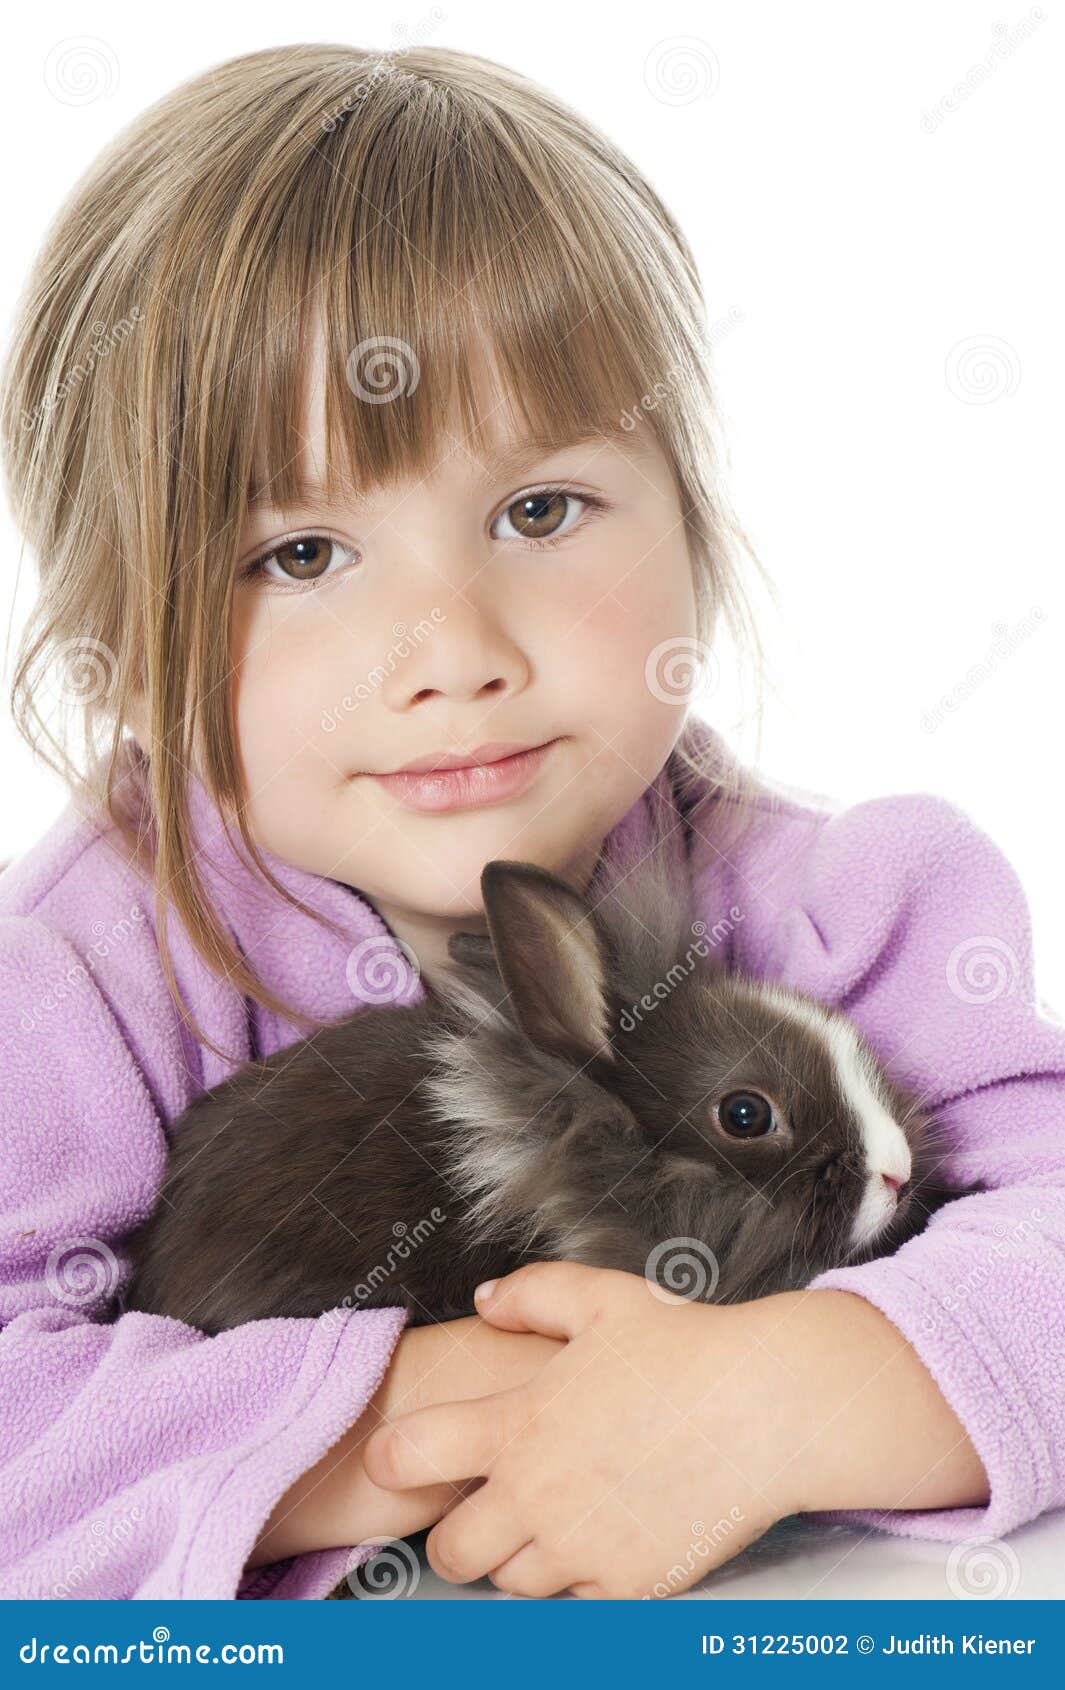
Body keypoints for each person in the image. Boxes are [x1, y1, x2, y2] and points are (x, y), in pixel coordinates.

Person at [0, 43, 1060, 1601]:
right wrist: (383, 1426)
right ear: (127, 638)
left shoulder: (840, 907)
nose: (455, 650)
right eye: (298, 552)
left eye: (538, 511)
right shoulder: (73, 985)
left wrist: (799, 1392)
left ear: (693, 520)